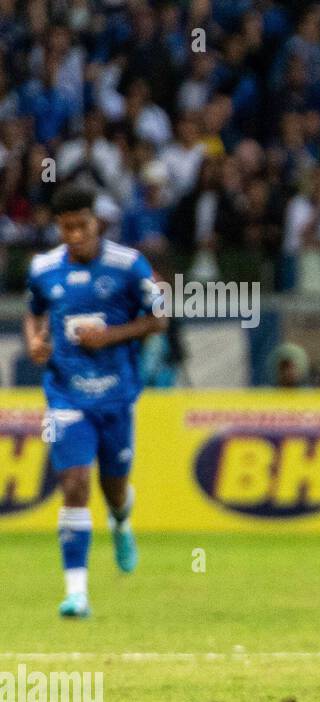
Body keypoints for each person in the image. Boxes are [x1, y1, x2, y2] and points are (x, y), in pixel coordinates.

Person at [22, 186, 166, 617]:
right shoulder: (43, 268)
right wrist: (34, 341)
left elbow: (158, 319)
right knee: (74, 485)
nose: (74, 235)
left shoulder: (128, 265)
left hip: (116, 395)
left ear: (96, 222)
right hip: (66, 394)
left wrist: (111, 335)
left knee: (113, 488)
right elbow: (34, 308)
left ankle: (121, 520)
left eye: (81, 225)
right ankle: (77, 593)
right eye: (66, 227)